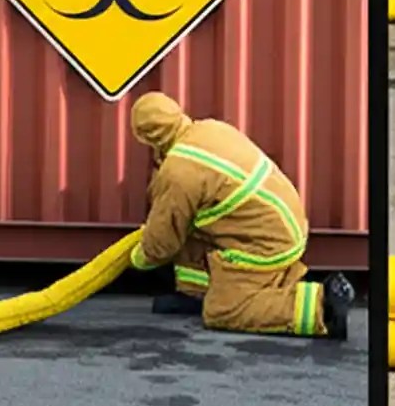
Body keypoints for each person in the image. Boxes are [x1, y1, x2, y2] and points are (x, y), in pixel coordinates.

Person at [127, 91, 355, 340]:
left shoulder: (178, 173)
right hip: (286, 221)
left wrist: (140, 257)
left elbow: (162, 240)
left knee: (224, 311)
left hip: (266, 243)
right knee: (190, 223)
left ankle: (323, 308)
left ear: (145, 136)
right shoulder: (211, 129)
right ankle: (194, 293)